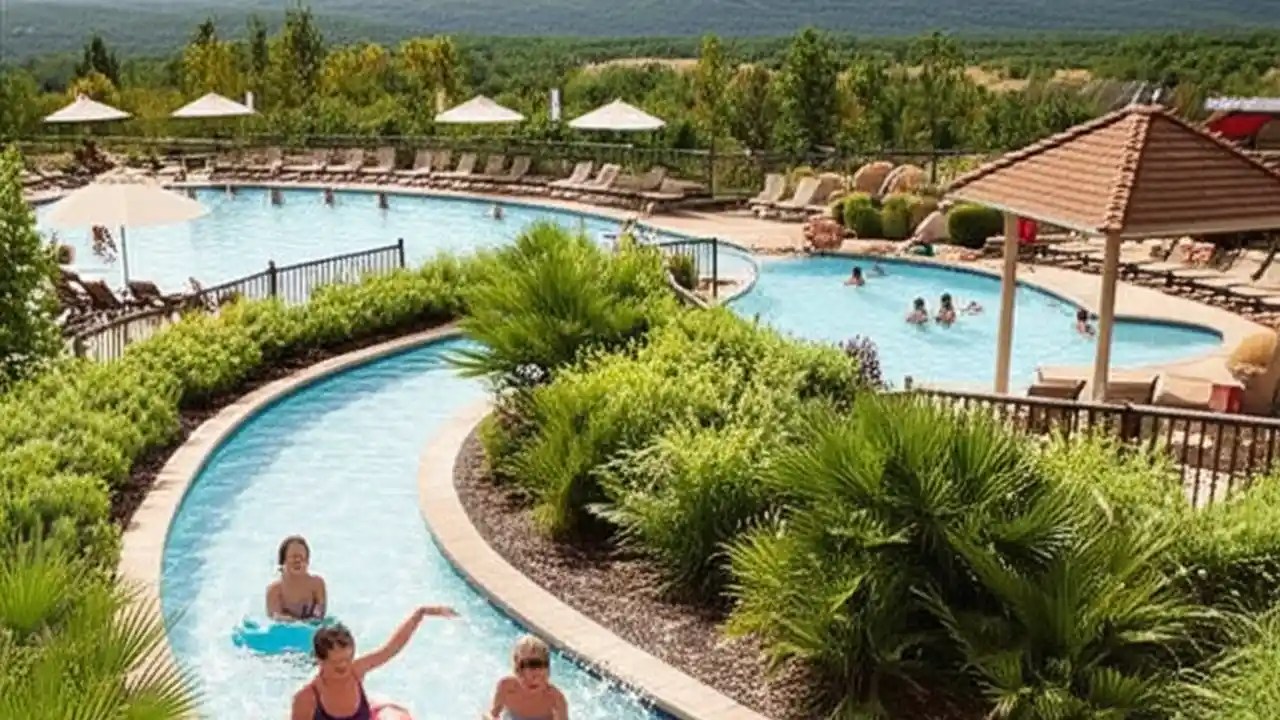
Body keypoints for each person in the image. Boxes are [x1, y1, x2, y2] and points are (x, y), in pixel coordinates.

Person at [291, 606, 458, 720]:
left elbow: (390, 649)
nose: (344, 666)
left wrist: (420, 614)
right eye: (336, 663)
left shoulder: (356, 671)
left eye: (348, 659)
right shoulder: (307, 698)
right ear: (320, 660)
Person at [482, 635, 569, 720]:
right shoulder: (506, 687)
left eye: (537, 676)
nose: (531, 681)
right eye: (523, 675)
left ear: (548, 672)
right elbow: (491, 714)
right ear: (515, 671)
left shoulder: (555, 699)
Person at [267, 536, 328, 622]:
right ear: (283, 561)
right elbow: (275, 620)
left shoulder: (317, 584)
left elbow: (320, 615)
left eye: (301, 557)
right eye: (294, 557)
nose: (298, 561)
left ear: (307, 561)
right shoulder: (275, 590)